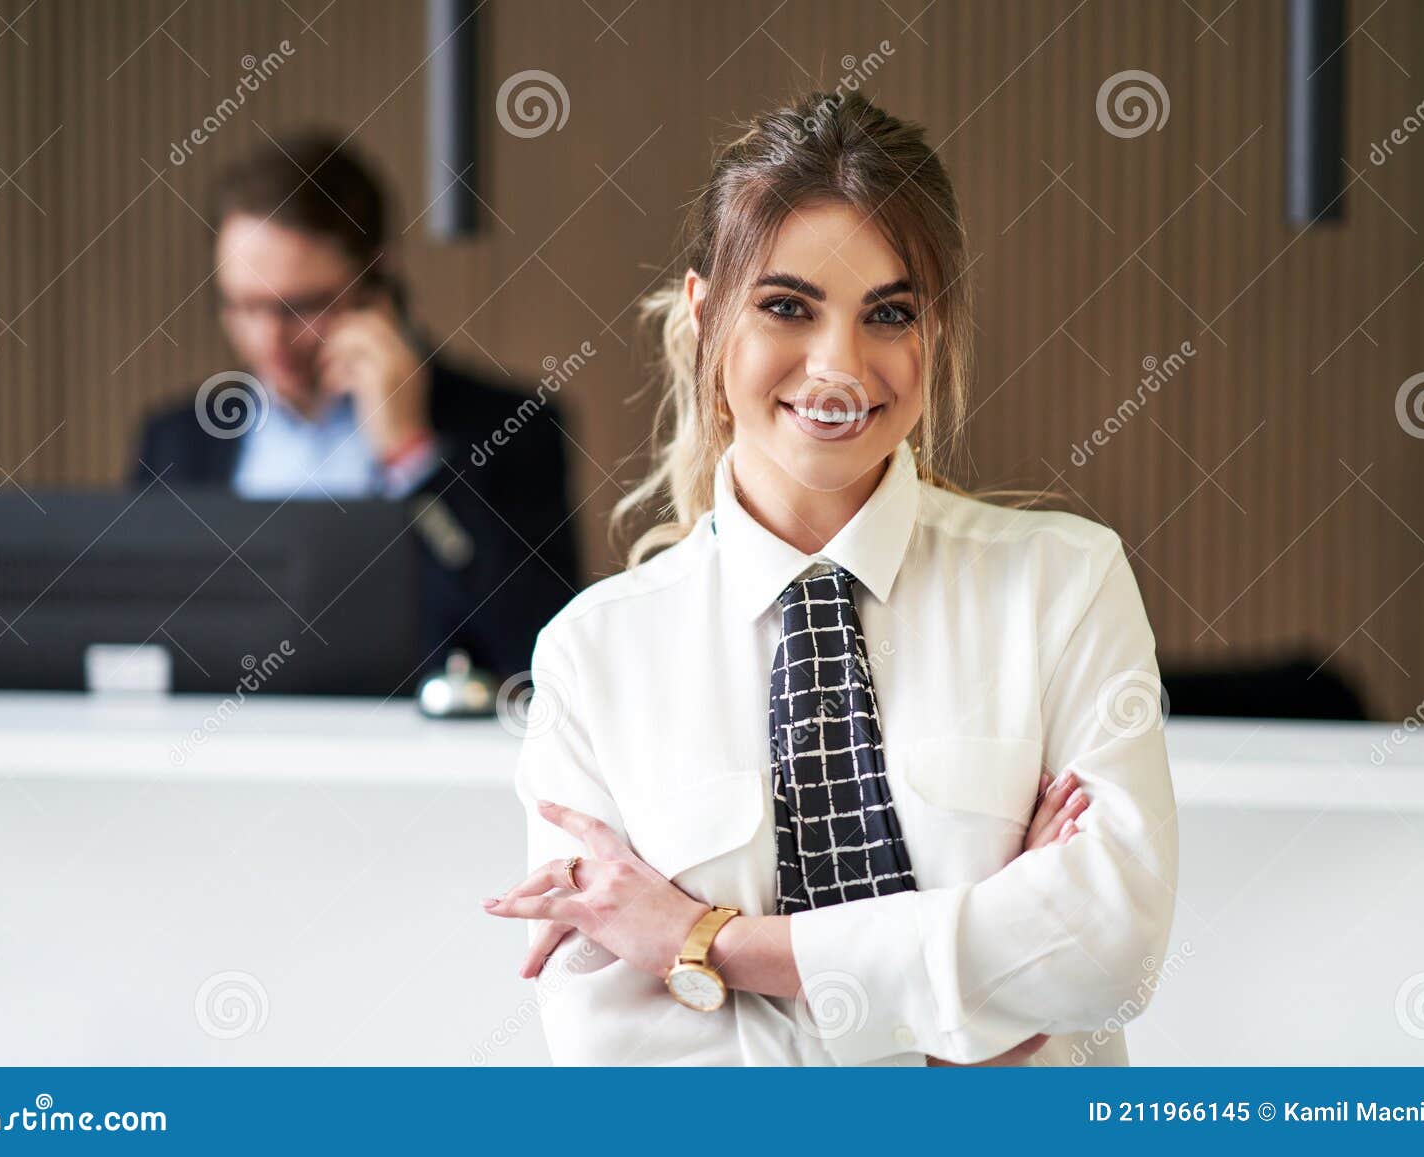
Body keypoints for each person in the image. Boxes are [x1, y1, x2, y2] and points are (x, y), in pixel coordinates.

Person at [484, 92, 1179, 1066]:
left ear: (931, 332)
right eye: (786, 306)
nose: (838, 366)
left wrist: (708, 943)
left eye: (887, 312)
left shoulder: (1062, 585)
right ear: (705, 317)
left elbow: (1109, 956)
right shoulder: (595, 655)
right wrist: (974, 1021)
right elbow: (619, 1059)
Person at [131, 132, 579, 681]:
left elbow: (537, 647)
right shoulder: (177, 442)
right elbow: (144, 641)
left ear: (375, 283)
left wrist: (412, 457)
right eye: (243, 306)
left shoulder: (510, 427)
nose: (269, 339)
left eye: (301, 306)